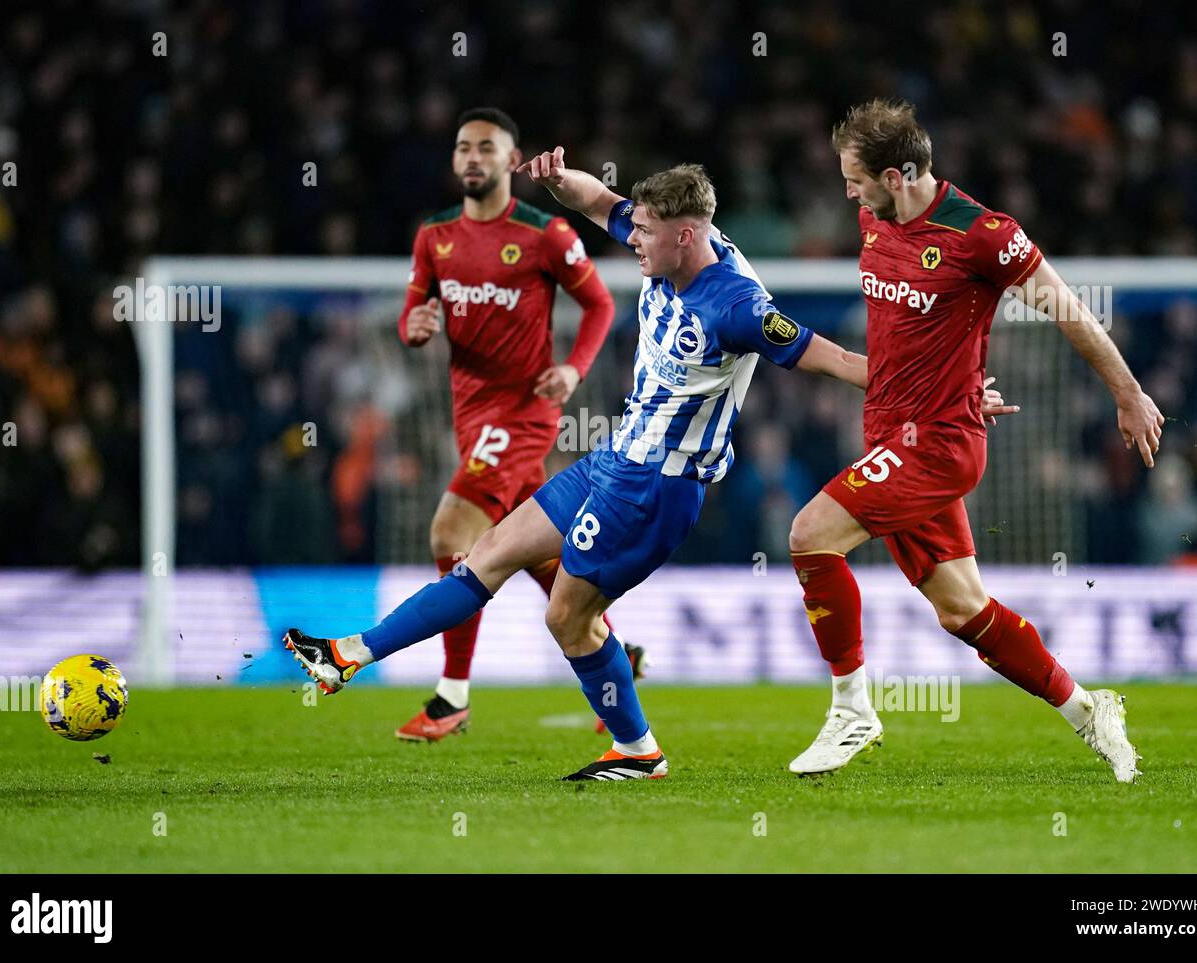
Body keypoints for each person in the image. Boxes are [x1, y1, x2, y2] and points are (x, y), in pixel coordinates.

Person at [286, 155, 874, 780]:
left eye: (644, 233)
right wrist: (560, 181)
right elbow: (600, 203)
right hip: (615, 457)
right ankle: (348, 654)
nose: (632, 241)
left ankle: (638, 750)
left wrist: (934, 394)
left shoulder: (739, 307)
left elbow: (833, 358)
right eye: (636, 228)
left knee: (567, 616)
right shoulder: (668, 242)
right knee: (489, 551)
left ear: (685, 234)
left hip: (657, 485)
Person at [786, 100, 1164, 783]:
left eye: (855, 179)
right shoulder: (875, 218)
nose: (848, 193)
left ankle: (851, 711)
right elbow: (911, 339)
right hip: (893, 432)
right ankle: (1090, 710)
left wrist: (1128, 393)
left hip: (935, 446)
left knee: (809, 532)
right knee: (963, 610)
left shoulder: (984, 234)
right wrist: (959, 385)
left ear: (896, 175)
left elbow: (1068, 310)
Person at [391, 107, 627, 741]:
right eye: (463, 147)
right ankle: (613, 654)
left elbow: (600, 303)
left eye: (486, 148)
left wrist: (574, 371)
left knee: (451, 529)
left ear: (510, 159)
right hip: (470, 413)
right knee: (530, 545)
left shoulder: (545, 232)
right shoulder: (433, 236)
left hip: (525, 412)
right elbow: (414, 312)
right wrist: (412, 330)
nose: (473, 157)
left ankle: (452, 697)